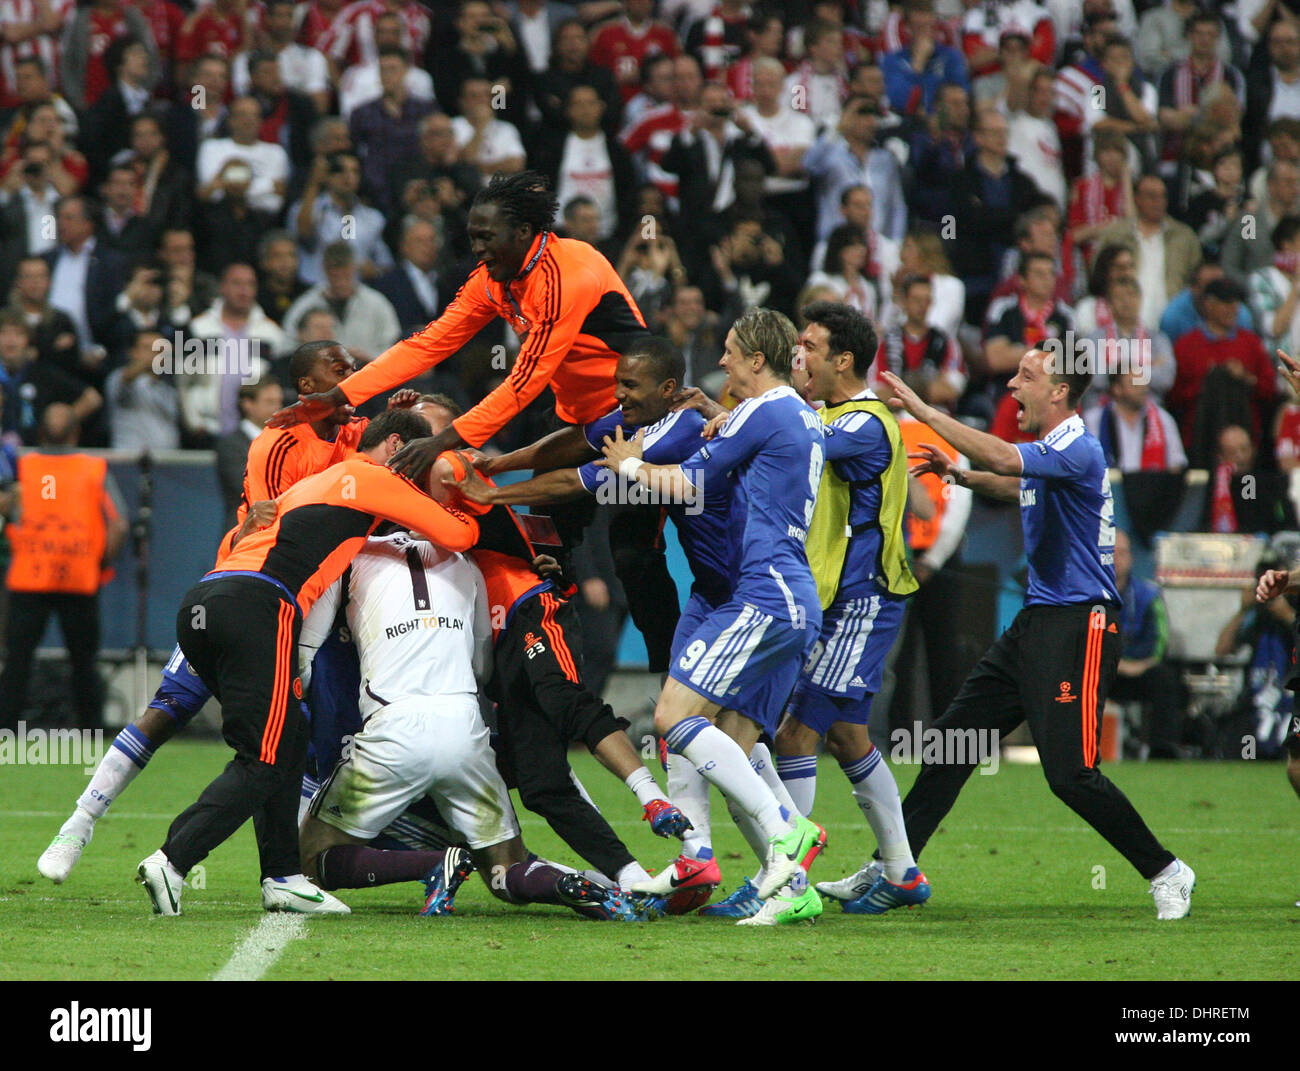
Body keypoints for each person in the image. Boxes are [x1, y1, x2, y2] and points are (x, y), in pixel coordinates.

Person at [36, 342, 369, 885]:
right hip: (249, 595)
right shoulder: (282, 439)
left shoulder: (355, 434)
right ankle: (79, 822)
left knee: (293, 731)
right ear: (307, 387)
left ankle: (285, 872)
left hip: (309, 604)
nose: (352, 376)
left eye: (354, 368)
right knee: (172, 707)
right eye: (339, 369)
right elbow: (265, 523)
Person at [879, 349, 1195, 920]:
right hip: (1038, 621)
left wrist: (925, 410)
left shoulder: (1076, 443)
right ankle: (893, 869)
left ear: (1059, 392)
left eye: (1026, 377)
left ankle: (1167, 870)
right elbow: (1015, 481)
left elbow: (1005, 456)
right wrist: (965, 477)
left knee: (1070, 775)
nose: (1010, 384)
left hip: (1079, 623)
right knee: (954, 743)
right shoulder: (1054, 452)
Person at [136, 408, 479, 917]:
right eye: (422, 461)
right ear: (395, 448)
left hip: (210, 602)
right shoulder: (372, 475)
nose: (425, 476)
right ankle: (173, 859)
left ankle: (283, 877)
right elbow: (458, 535)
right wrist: (477, 498)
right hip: (260, 602)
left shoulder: (326, 480)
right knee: (265, 756)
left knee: (288, 739)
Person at [598, 307, 827, 919]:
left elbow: (686, 482)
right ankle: (785, 886)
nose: (721, 361)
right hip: (791, 597)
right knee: (731, 738)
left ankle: (786, 831)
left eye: (730, 350)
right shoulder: (798, 414)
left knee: (674, 715)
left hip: (764, 593)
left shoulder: (763, 410)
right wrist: (716, 417)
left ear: (757, 359)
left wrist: (626, 464)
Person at [296, 526, 643, 921]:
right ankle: (567, 886)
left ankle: (431, 864)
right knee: (505, 869)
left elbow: (304, 654)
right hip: (466, 735)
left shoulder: (350, 555)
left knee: (306, 861)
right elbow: (482, 665)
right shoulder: (464, 560)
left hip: (392, 735)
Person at [730, 302, 920, 923]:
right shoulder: (832, 415)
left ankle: (787, 881)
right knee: (848, 737)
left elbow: (802, 439)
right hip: (839, 600)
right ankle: (902, 872)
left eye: (808, 345)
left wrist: (735, 412)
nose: (798, 355)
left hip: (862, 602)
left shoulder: (866, 422)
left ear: (843, 359)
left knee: (792, 735)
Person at [0, 402, 126, 731]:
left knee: (17, 660)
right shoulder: (93, 469)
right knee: (84, 660)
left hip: (30, 576)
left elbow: (11, 514)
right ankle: (91, 728)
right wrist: (101, 564)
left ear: (40, 432)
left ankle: (5, 726)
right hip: (79, 578)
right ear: (76, 432)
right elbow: (118, 525)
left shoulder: (24, 468)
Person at [215, 378, 284, 530]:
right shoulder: (231, 444)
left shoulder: (287, 440)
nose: (277, 407)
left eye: (279, 401)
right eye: (269, 402)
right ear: (248, 404)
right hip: (242, 530)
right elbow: (248, 487)